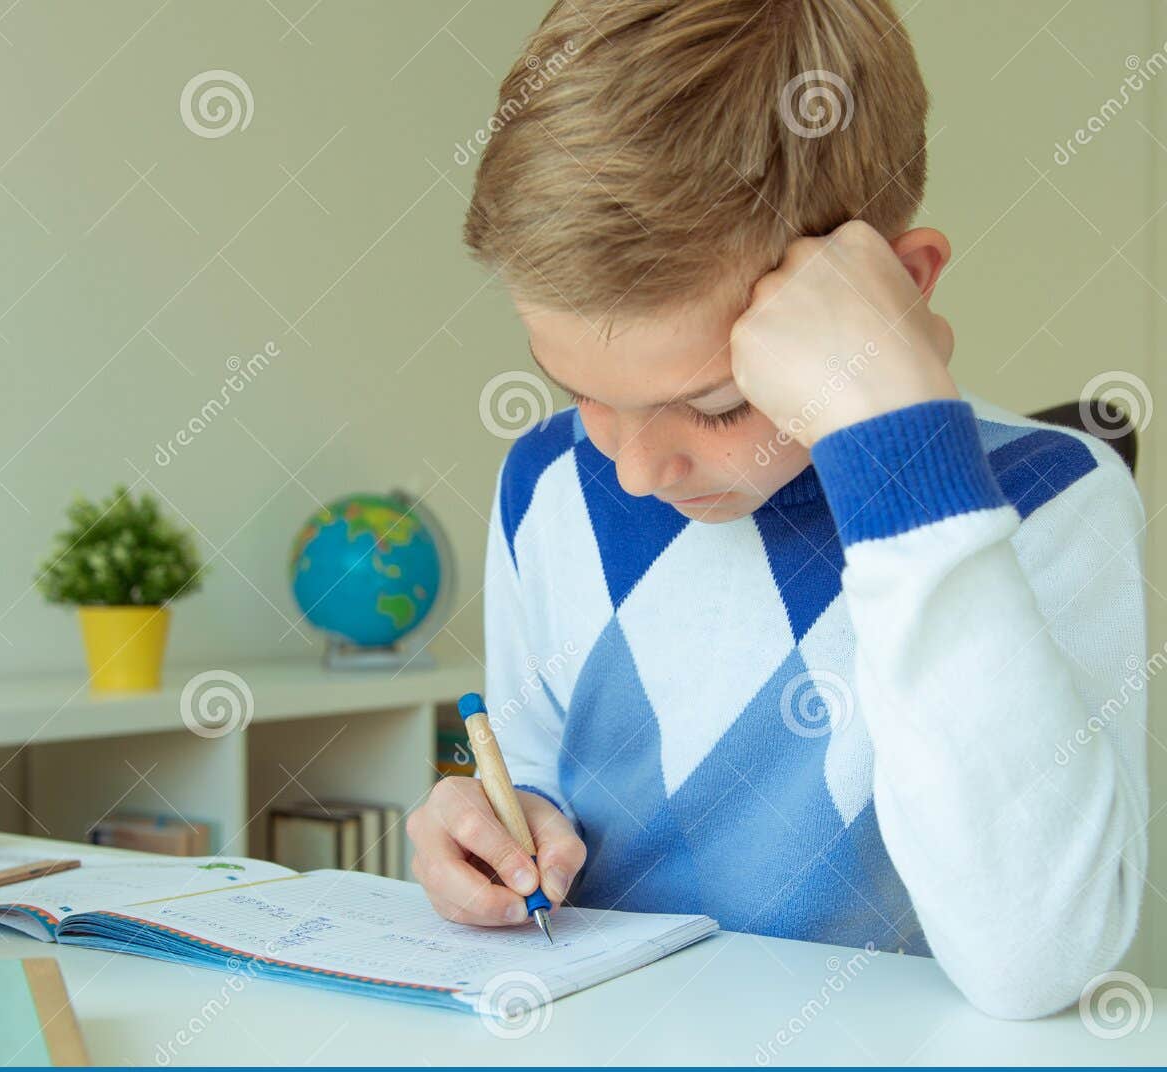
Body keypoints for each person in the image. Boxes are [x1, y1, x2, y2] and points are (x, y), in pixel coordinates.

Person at [405, 0, 1148, 1020]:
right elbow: (536, 774)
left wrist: (898, 444)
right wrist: (496, 828)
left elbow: (1035, 962)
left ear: (893, 291)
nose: (628, 469)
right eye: (576, 388)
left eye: (713, 406)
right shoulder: (546, 478)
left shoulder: (1049, 500)